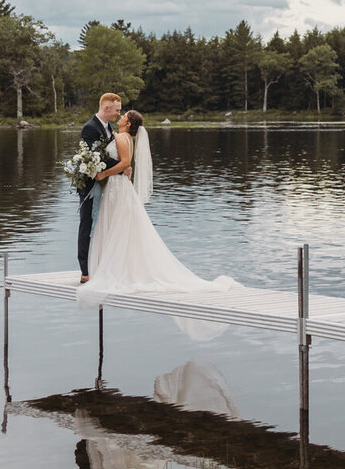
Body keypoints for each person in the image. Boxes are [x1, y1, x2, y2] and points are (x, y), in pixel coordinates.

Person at [79, 110, 238, 315]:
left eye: (124, 115)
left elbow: (125, 164)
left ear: (128, 123)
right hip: (118, 186)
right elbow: (126, 165)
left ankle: (115, 268)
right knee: (121, 226)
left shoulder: (120, 136)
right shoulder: (125, 136)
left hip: (117, 187)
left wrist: (102, 174)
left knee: (117, 225)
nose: (121, 117)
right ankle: (118, 265)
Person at [77, 92, 124, 282]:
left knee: (101, 224)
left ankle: (99, 263)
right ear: (106, 108)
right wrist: (123, 167)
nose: (118, 115)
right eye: (116, 111)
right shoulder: (90, 128)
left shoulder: (109, 127)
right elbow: (98, 159)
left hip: (105, 184)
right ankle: (85, 271)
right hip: (89, 185)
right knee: (87, 223)